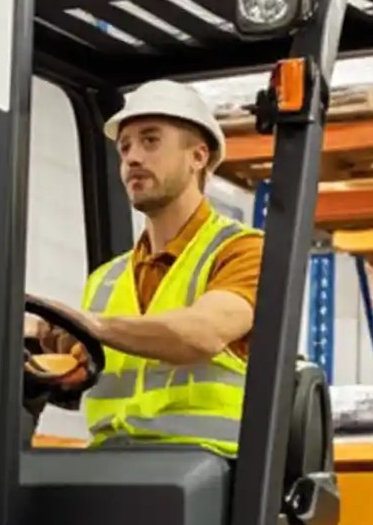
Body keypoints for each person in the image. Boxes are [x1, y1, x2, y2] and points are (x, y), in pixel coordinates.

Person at [25, 80, 264, 456]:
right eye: (125, 148)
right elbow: (88, 361)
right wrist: (44, 341)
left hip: (206, 466)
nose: (133, 158)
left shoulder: (241, 251)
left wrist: (93, 325)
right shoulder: (106, 279)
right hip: (113, 460)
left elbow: (202, 334)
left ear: (198, 157)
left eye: (150, 141)